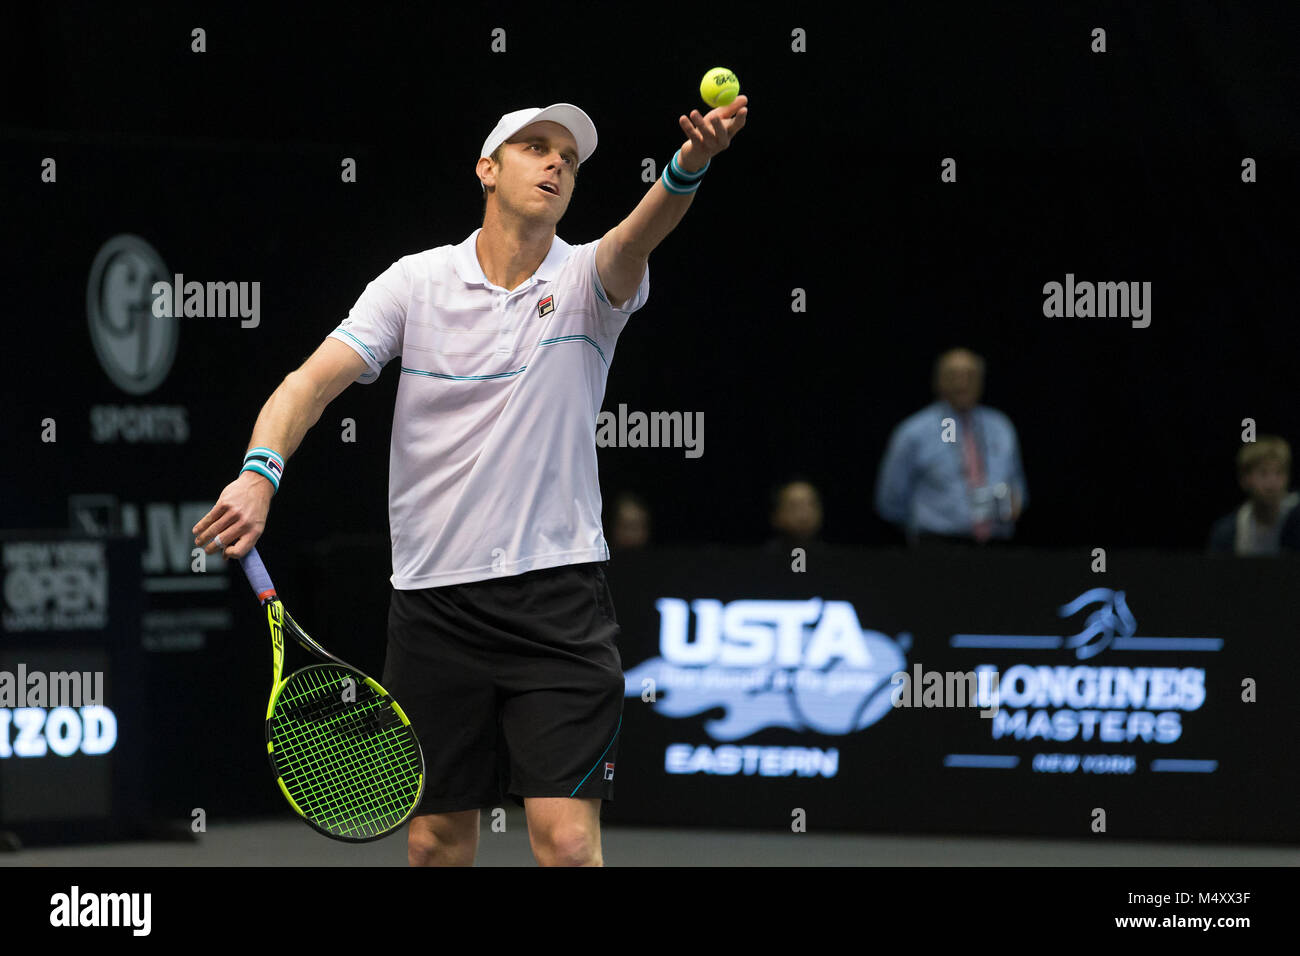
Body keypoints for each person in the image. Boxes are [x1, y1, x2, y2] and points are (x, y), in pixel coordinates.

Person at [191, 96, 749, 866]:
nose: (556, 162)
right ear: (488, 169)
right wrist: (260, 474)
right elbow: (307, 385)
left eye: (570, 158)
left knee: (565, 843)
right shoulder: (413, 284)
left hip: (558, 602)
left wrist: (689, 166)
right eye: (535, 147)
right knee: (435, 846)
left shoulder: (590, 281)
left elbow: (636, 235)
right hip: (434, 607)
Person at [875, 348, 1027, 546]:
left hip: (995, 545)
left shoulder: (1001, 426)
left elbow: (1017, 485)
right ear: (938, 381)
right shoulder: (913, 432)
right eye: (953, 375)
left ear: (981, 381)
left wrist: (1015, 502)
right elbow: (890, 500)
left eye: (970, 376)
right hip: (937, 546)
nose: (962, 384)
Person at [1206, 436, 1300, 554]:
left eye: (1279, 473)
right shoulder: (1228, 532)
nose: (1271, 483)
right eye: (1263, 474)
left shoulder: (1296, 519)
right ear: (1244, 479)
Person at [765, 478, 824, 553]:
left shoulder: (834, 559)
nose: (804, 516)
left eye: (811, 505)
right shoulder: (761, 559)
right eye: (794, 507)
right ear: (776, 515)